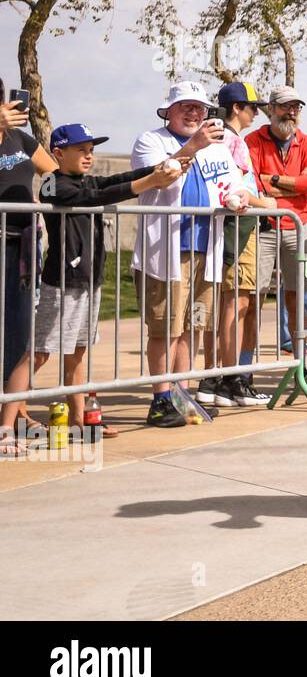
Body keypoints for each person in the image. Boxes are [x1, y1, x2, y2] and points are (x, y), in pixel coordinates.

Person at [3, 123, 183, 442]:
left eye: (91, 150)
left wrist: (156, 169)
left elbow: (113, 180)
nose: (89, 156)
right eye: (81, 150)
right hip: (63, 284)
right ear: (58, 153)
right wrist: (150, 182)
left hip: (88, 281)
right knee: (38, 354)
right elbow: (98, 194)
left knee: (78, 354)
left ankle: (80, 422)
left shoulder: (83, 179)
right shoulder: (52, 185)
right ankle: (5, 427)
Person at [132, 82, 248, 429]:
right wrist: (195, 145)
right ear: (168, 110)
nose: (194, 114)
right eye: (186, 107)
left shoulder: (219, 148)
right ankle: (160, 399)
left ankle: (182, 395)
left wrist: (237, 198)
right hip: (166, 250)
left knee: (192, 328)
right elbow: (160, 179)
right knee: (166, 328)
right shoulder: (150, 141)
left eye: (200, 108)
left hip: (205, 247)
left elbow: (234, 183)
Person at [204, 81, 275, 408]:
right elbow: (237, 191)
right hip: (236, 228)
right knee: (233, 304)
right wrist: (267, 205)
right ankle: (223, 378)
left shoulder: (230, 139)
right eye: (252, 107)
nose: (256, 113)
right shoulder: (228, 140)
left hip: (241, 227)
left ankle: (223, 377)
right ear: (236, 108)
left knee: (238, 303)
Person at [244, 85, 307, 355]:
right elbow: (254, 185)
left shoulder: (306, 141)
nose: (291, 113)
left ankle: (300, 361)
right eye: (286, 106)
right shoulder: (252, 141)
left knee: (298, 295)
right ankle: (244, 369)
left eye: (296, 107)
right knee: (254, 297)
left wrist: (275, 181)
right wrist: (295, 186)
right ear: (271, 109)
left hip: (298, 228)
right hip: (263, 228)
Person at [0, 80, 58, 451]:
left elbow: (54, 175)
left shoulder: (20, 140)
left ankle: (12, 415)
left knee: (20, 333)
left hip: (21, 248)